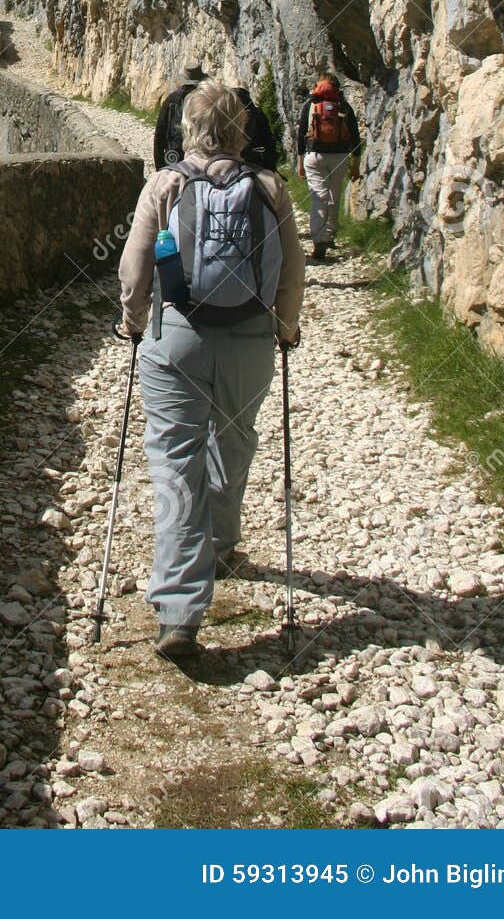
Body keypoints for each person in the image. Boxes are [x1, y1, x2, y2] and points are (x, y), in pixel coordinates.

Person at [118, 81, 305, 662]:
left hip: (178, 339)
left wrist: (132, 318)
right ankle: (221, 545)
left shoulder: (166, 183)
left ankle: (178, 611)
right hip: (249, 339)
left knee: (176, 466)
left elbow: (135, 265)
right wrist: (287, 329)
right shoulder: (270, 187)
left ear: (186, 128)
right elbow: (292, 271)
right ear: (241, 131)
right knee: (235, 440)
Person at [295, 73, 361, 260]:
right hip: (340, 156)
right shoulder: (343, 106)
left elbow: (301, 135)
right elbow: (355, 136)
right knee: (334, 194)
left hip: (314, 156)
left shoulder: (311, 105)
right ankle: (330, 233)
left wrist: (300, 162)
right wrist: (356, 163)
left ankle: (319, 240)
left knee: (319, 197)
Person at [153, 64, 206, 168]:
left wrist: (159, 166)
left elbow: (160, 132)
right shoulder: (205, 101)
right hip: (198, 157)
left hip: (174, 155)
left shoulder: (171, 99)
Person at [232, 85, 279, 170]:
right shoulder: (257, 112)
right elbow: (268, 137)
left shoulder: (234, 117)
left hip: (243, 160)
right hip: (261, 157)